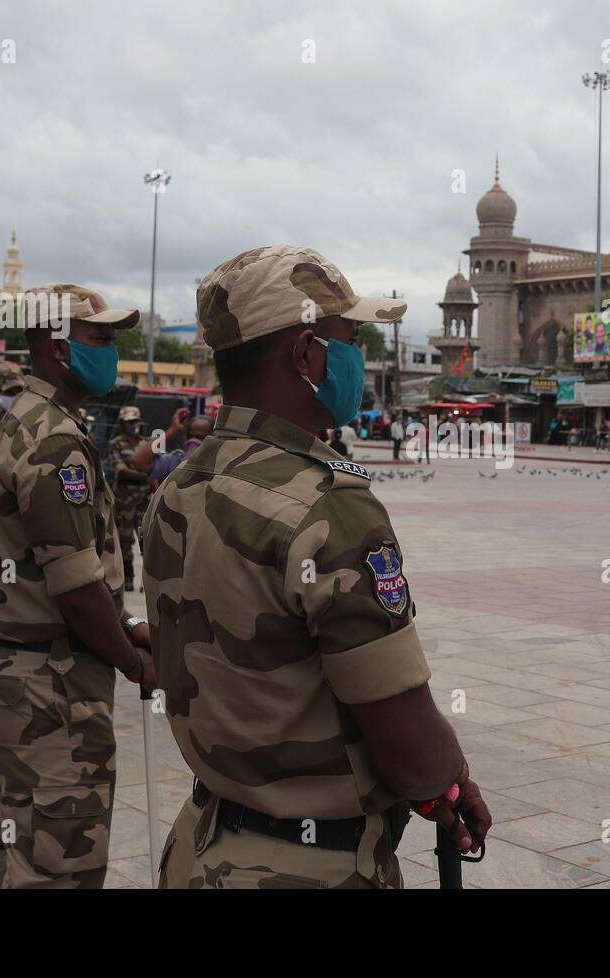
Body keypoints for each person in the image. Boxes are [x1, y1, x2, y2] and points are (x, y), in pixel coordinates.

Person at [143, 245, 491, 889]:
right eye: (349, 339)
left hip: (202, 845)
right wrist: (448, 777)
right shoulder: (327, 509)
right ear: (307, 355)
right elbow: (409, 748)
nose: (358, 358)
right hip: (308, 869)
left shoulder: (181, 485)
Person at [0, 284, 156, 888]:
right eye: (99, 338)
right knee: (59, 860)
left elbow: (55, 573)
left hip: (25, 675)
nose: (111, 351)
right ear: (58, 347)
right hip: (50, 687)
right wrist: (132, 661)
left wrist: (124, 623)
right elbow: (74, 592)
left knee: (24, 840)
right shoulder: (54, 441)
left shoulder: (33, 418)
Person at [108, 404, 152, 591]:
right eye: (129, 422)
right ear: (122, 423)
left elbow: (156, 465)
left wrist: (150, 477)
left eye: (135, 421)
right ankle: (128, 576)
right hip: (124, 496)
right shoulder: (116, 443)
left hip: (144, 496)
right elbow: (121, 470)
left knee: (147, 536)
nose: (133, 425)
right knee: (125, 538)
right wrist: (146, 476)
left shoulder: (147, 442)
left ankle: (148, 578)